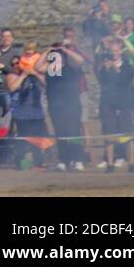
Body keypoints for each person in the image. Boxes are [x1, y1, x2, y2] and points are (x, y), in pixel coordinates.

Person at [41, 33, 86, 170]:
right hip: (56, 105)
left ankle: (78, 158)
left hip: (72, 104)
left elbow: (80, 60)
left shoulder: (71, 67)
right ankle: (63, 159)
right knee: (60, 132)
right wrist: (48, 50)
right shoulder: (51, 70)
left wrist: (65, 49)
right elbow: (37, 67)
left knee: (74, 131)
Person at [96, 38, 134, 172]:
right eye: (112, 51)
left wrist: (115, 69)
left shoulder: (127, 66)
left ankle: (131, 163)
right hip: (108, 103)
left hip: (124, 102)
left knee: (128, 134)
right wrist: (105, 69)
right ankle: (110, 163)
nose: (114, 53)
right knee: (109, 133)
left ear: (121, 51)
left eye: (116, 51)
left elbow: (126, 81)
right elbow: (102, 82)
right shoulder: (104, 66)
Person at [6, 56, 48, 169]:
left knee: (38, 138)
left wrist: (34, 73)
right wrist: (23, 75)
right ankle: (21, 162)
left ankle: (38, 162)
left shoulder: (34, 76)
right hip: (21, 113)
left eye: (17, 63)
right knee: (23, 139)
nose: (15, 65)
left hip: (36, 112)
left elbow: (46, 84)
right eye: (13, 64)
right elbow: (12, 88)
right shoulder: (12, 76)